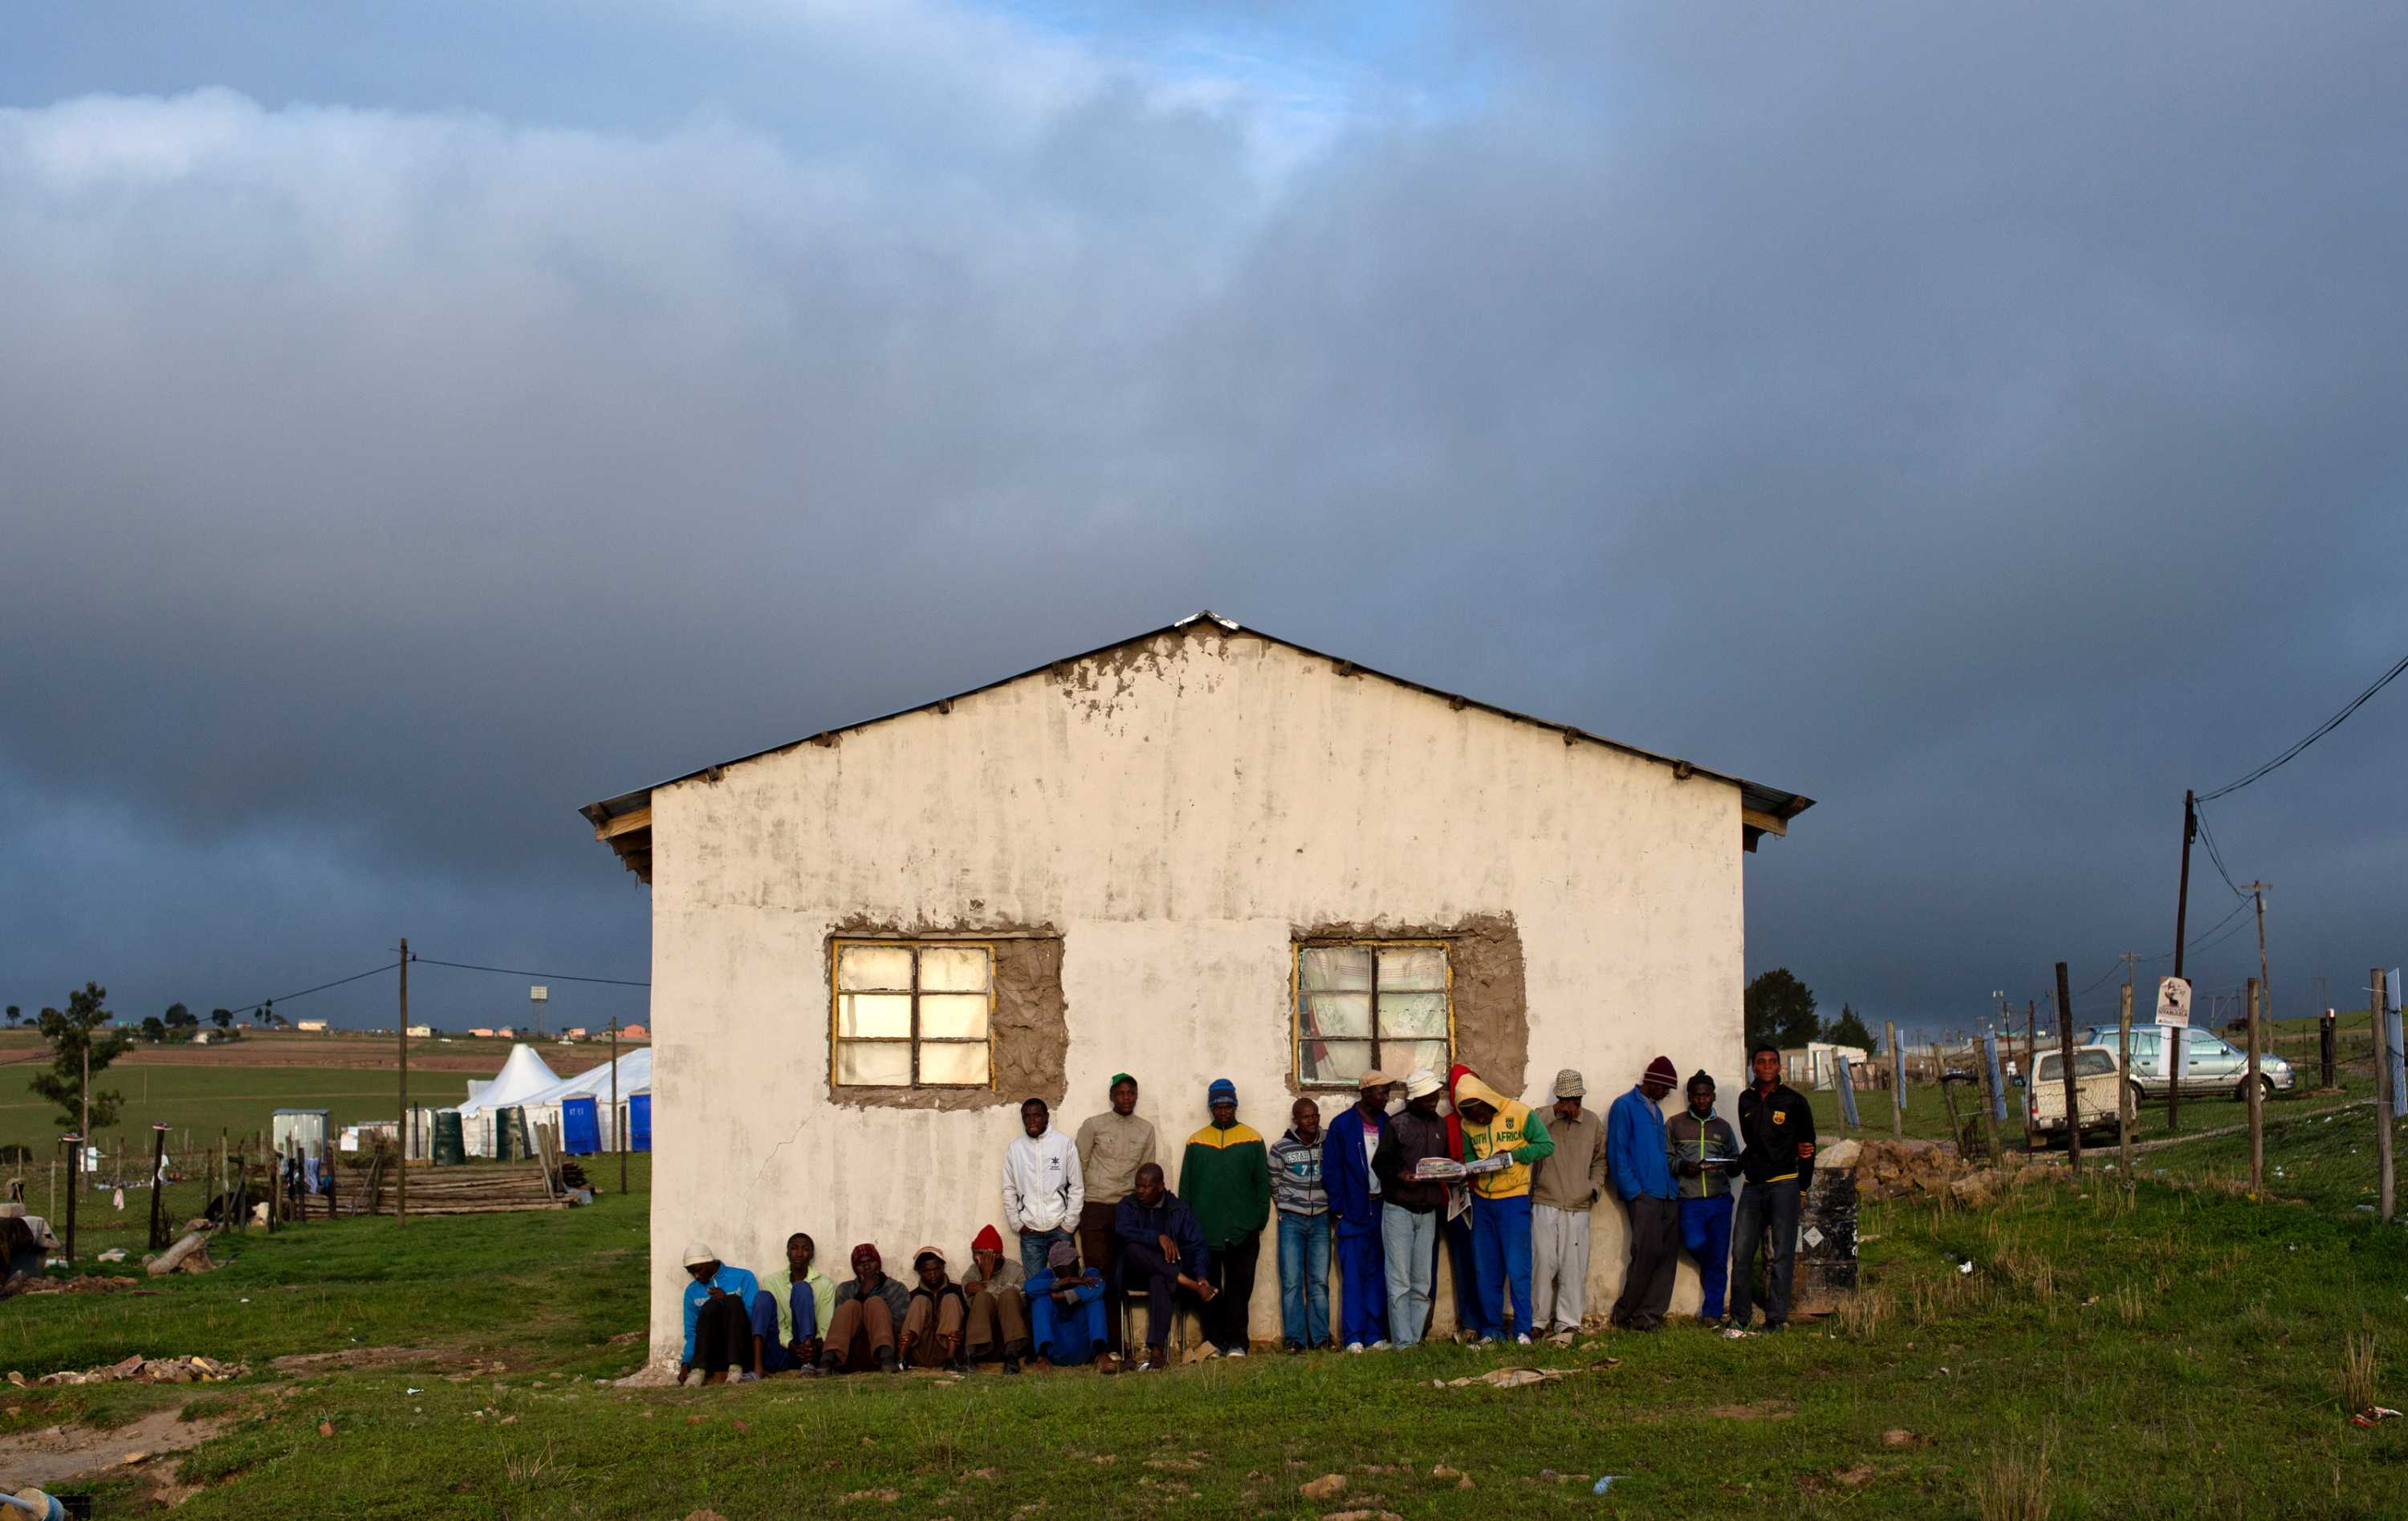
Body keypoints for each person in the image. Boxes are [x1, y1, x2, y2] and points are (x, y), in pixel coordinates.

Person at [1453, 1071, 1556, 1344]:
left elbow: (1546, 1146)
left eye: (1480, 1113)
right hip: (1482, 1202)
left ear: (1488, 1101)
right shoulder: (1467, 1124)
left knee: (1518, 1268)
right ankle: (1492, 1330)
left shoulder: (1520, 1113)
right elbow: (1471, 1156)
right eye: (1470, 1115)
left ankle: (1522, 1330)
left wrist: (1514, 1156)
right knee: (1486, 1269)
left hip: (1513, 1199)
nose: (1478, 1119)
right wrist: (1467, 1168)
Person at [1178, 1078, 1271, 1356]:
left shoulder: (1252, 1139)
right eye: (1217, 1107)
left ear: (1235, 1106)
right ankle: (1215, 1341)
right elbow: (1186, 1189)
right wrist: (1187, 1228)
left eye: (1228, 1106)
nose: (1223, 1112)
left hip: (1244, 1231)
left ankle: (1238, 1342)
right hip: (1205, 1232)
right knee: (1209, 1287)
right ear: (1211, 1108)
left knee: (1240, 1288)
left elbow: (1262, 1185)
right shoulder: (1196, 1141)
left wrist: (1258, 1220)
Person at [1731, 1044, 1817, 1332]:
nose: (1766, 1066)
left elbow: (1808, 1147)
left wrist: (1802, 1189)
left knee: (1782, 1254)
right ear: (1752, 1067)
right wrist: (1739, 1164)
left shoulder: (1794, 1101)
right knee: (1741, 1253)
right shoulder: (1746, 1100)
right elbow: (1754, 1143)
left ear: (1779, 1067)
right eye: (1761, 1062)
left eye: (1772, 1062)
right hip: (1752, 1186)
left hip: (1784, 1185)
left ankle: (1776, 1319)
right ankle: (1739, 1318)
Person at [1074, 1072, 1155, 1356]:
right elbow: (1078, 1166)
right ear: (1112, 1096)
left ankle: (1122, 1345)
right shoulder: (1094, 1125)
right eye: (1121, 1093)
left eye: (1131, 1093)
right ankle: (1103, 1346)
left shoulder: (1145, 1130)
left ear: (1136, 1096)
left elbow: (1147, 1172)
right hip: (1096, 1206)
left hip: (1129, 1209)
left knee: (1125, 1276)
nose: (1126, 1098)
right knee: (1099, 1276)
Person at [1372, 1068, 1450, 1348]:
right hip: (1399, 1210)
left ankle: (1414, 1339)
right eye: (1427, 1097)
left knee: (1421, 1282)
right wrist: (1401, 1175)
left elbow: (1445, 1162)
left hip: (1428, 1212)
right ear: (1414, 1099)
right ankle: (1403, 1342)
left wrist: (1452, 1173)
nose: (1433, 1101)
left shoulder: (1441, 1126)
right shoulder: (1397, 1124)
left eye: (1435, 1095)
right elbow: (1380, 1164)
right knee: (1399, 1281)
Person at [1530, 1068, 1609, 1342]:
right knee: (1542, 1263)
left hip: (1578, 1204)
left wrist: (1593, 1188)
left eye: (1577, 1100)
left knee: (1573, 1267)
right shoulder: (1543, 1117)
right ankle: (1537, 1320)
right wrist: (1556, 1112)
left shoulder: (1593, 1123)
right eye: (1567, 1100)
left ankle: (1568, 1322)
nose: (1573, 1105)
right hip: (1545, 1199)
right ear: (1559, 1098)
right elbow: (1527, 1130)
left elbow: (1600, 1161)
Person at [1114, 1161, 1216, 1371]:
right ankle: (1188, 1283)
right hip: (1134, 1272)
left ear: (1161, 1186)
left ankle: (1157, 1352)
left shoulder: (1178, 1209)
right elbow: (1122, 1230)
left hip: (1164, 1276)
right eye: (1138, 1186)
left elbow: (1197, 1243)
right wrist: (1157, 1237)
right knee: (1133, 1248)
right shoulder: (1127, 1205)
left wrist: (1201, 1275)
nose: (1140, 1191)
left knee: (1159, 1277)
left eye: (1146, 1187)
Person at [1605, 1057, 1681, 1332]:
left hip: (1667, 1193)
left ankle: (1649, 1315)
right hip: (1644, 1194)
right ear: (1653, 1083)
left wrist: (1672, 1187)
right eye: (1665, 1089)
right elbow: (1617, 1151)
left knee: (1666, 1256)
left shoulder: (1656, 1112)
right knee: (1646, 1254)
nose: (1666, 1094)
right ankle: (1624, 1314)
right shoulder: (1624, 1105)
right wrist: (1634, 1191)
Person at [1321, 1069, 1390, 1352]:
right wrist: (1340, 1209)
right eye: (1382, 1093)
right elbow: (1331, 1170)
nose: (1387, 1098)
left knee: (1378, 1273)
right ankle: (1354, 1337)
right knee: (1353, 1276)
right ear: (1365, 1093)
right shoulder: (1343, 1125)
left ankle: (1375, 1335)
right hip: (1353, 1212)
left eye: (1388, 1092)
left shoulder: (1387, 1122)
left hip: (1382, 1208)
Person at [1666, 1070, 1740, 1326]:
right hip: (1689, 1199)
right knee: (1694, 1242)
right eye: (1697, 1095)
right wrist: (1682, 1166)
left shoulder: (1724, 1127)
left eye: (1706, 1095)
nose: (1702, 1100)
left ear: (1714, 1096)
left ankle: (1712, 1313)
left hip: (1720, 1199)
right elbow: (1666, 1157)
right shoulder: (1675, 1124)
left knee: (1720, 1253)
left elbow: (1734, 1159)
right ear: (1689, 1097)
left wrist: (1734, 1165)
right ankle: (1712, 1270)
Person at [1268, 1096, 1332, 1353]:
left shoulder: (1329, 1142)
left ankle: (1321, 1339)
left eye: (1315, 1115)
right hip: (1292, 1221)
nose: (1312, 1120)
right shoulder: (1280, 1148)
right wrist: (1288, 1205)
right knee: (1292, 1281)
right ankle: (1295, 1340)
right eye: (1306, 1116)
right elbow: (1274, 1183)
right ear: (1296, 1120)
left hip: (1321, 1219)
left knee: (1319, 1281)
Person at [1003, 1096, 1085, 1280]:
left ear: (1046, 1117)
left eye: (1037, 1115)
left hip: (1060, 1228)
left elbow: (1076, 1187)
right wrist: (1017, 1223)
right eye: (1027, 1116)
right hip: (1030, 1232)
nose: (1032, 1121)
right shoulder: (1016, 1148)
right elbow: (1009, 1189)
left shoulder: (1063, 1144)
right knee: (1036, 1287)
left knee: (1069, 1284)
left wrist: (1069, 1224)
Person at [1026, 1238, 1118, 1370]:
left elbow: (1099, 1287)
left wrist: (1065, 1295)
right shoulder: (1047, 1274)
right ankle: (1042, 1358)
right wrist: (1065, 1281)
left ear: (1077, 1262)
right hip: (1055, 1347)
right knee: (1040, 1301)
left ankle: (1102, 1354)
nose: (1070, 1268)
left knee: (1095, 1301)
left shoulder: (1088, 1273)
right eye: (1064, 1267)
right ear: (1055, 1269)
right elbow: (1029, 1289)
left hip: (1086, 1346)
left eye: (1072, 1263)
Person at [677, 1242, 763, 1385]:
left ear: (710, 1262)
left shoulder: (743, 1277)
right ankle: (698, 1370)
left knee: (733, 1301)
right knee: (710, 1305)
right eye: (691, 1272)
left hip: (741, 1349)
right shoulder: (692, 1291)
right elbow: (692, 1333)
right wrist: (686, 1364)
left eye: (698, 1270)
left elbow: (752, 1317)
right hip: (713, 1354)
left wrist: (726, 1299)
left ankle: (735, 1368)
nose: (696, 1276)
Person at [750, 1231, 834, 1375]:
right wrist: (793, 1347)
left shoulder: (825, 1284)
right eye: (794, 1248)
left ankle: (807, 1365)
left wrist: (808, 1348)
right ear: (787, 1253)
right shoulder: (772, 1281)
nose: (799, 1254)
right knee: (762, 1297)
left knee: (802, 1288)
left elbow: (825, 1327)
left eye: (805, 1249)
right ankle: (758, 1369)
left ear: (812, 1255)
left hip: (810, 1351)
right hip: (780, 1350)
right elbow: (779, 1323)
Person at [820, 1243, 911, 1373]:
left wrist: (873, 1310)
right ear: (855, 1268)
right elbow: (840, 1325)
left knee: (875, 1302)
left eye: (870, 1261)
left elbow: (899, 1326)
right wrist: (862, 1294)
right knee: (851, 1305)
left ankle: (887, 1362)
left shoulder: (896, 1289)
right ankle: (826, 1362)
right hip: (850, 1352)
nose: (866, 1266)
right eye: (860, 1264)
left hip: (883, 1351)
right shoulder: (845, 1289)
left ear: (878, 1264)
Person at [1440, 1063, 1479, 1340]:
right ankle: (1470, 1321)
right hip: (1457, 1202)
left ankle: (1490, 1319)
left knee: (1488, 1262)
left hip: (1488, 1199)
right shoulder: (1446, 1125)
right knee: (1464, 1263)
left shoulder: (1487, 1117)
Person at [962, 1223, 1031, 1373]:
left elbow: (1022, 1300)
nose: (976, 1258)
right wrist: (985, 1278)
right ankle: (970, 1356)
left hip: (1012, 1330)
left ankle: (1011, 1357)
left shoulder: (1016, 1270)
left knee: (1009, 1295)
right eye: (975, 1253)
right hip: (985, 1332)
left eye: (982, 1253)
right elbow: (972, 1305)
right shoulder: (972, 1273)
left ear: (997, 1255)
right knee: (982, 1297)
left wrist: (987, 1285)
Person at [899, 1246, 971, 1371]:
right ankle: (900, 1360)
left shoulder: (958, 1291)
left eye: (936, 1269)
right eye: (926, 1271)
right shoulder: (913, 1296)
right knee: (920, 1301)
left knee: (951, 1298)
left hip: (948, 1348)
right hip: (921, 1352)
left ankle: (950, 1362)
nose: (932, 1274)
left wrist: (962, 1333)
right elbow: (902, 1325)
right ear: (919, 1271)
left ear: (943, 1267)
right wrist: (900, 1338)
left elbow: (971, 1321)